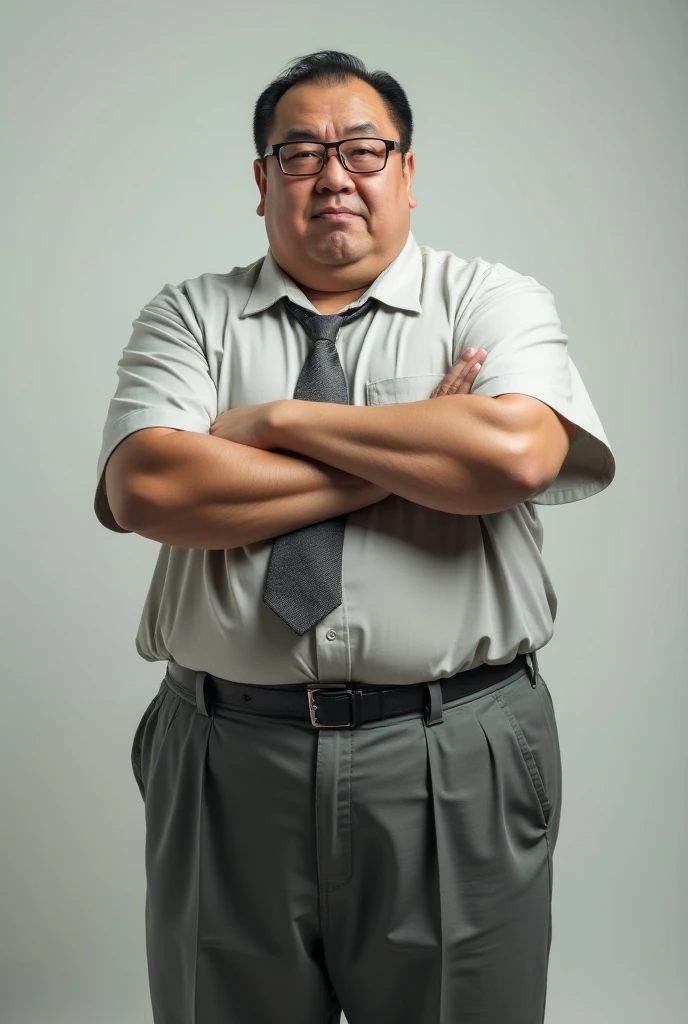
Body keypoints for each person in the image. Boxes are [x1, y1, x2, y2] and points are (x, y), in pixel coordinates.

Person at [94, 50, 615, 1024]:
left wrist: (276, 423)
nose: (334, 173)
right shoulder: (190, 316)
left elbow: (512, 455)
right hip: (224, 752)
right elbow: (149, 486)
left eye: (364, 149)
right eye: (300, 153)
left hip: (452, 748)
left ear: (407, 173)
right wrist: (417, 441)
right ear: (262, 183)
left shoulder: (490, 300)